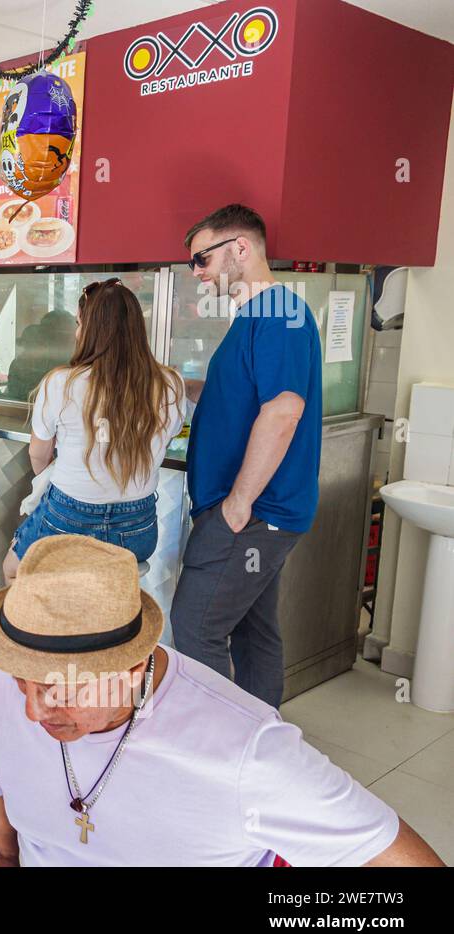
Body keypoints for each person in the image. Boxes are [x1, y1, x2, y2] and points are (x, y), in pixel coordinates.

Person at [0, 535, 443, 867]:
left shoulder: (248, 754)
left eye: (60, 691)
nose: (31, 710)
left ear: (131, 671)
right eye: (23, 680)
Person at [170, 204, 322, 707]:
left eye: (202, 260)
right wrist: (175, 385)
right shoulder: (257, 318)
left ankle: (217, 751)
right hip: (254, 516)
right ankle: (260, 745)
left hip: (251, 516)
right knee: (253, 632)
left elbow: (283, 412)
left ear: (240, 247)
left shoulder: (281, 315)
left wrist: (237, 505)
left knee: (195, 627)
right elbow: (239, 398)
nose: (197, 274)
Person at [4, 279, 185, 579]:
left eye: (79, 323)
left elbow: (39, 454)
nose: (76, 332)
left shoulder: (61, 382)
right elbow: (167, 436)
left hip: (68, 517)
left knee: (12, 571)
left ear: (90, 329)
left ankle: (41, 624)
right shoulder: (170, 384)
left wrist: (54, 477)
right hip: (137, 531)